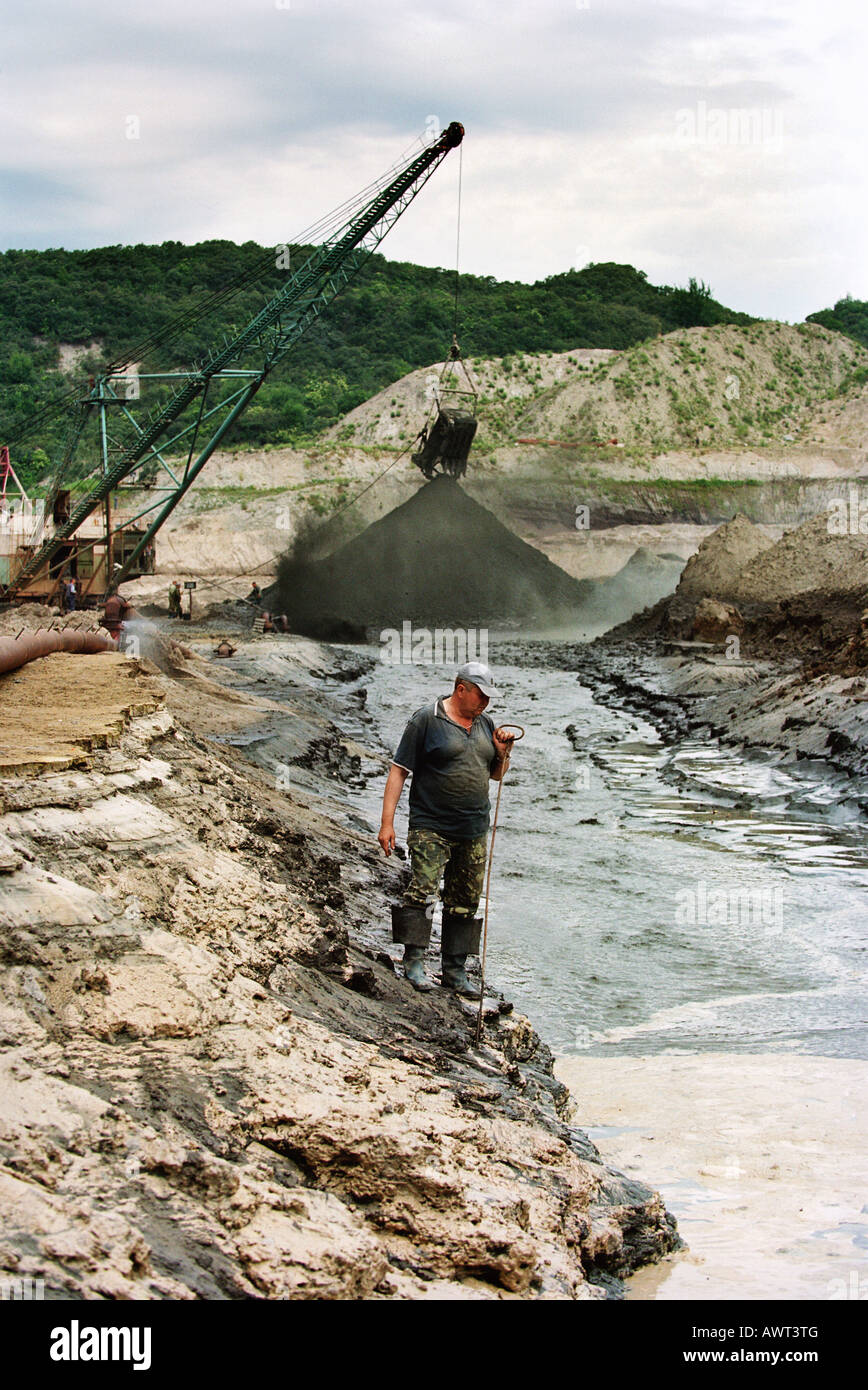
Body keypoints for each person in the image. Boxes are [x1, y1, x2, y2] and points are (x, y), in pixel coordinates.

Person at [378, 661, 515, 996]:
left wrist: (503, 753)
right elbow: (399, 771)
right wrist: (387, 823)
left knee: (466, 899)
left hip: (473, 827)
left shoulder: (486, 724)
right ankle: (414, 962)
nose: (485, 702)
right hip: (431, 825)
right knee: (423, 891)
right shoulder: (426, 719)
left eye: (489, 697)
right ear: (461, 689)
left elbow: (496, 775)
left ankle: (455, 970)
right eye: (481, 695)